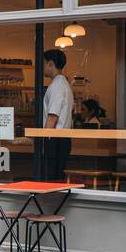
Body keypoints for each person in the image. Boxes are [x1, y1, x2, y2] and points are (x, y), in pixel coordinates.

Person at [42, 48, 72, 182]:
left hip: (56, 139)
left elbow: (52, 117)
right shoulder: (64, 83)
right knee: (57, 177)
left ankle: (50, 203)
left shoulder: (57, 86)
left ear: (50, 63)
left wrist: (44, 141)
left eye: (44, 63)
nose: (43, 67)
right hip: (63, 139)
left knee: (51, 179)